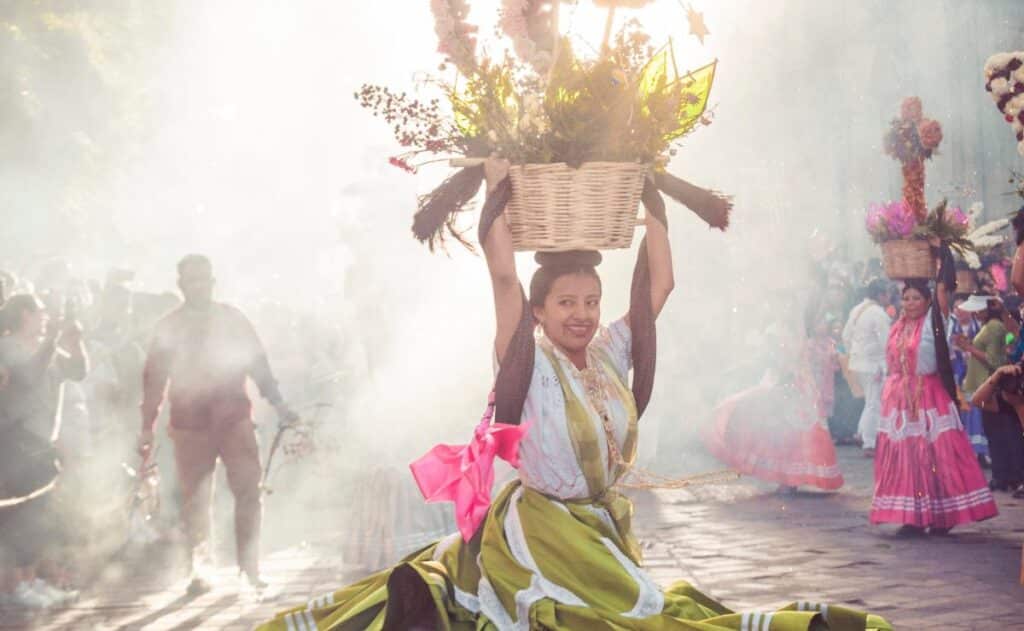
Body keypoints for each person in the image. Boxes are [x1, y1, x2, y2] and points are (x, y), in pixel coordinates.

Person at [257, 158, 888, 630]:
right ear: (539, 310)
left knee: (637, 612)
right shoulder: (526, 359)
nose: (582, 314)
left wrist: (652, 197)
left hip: (601, 523)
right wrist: (498, 191)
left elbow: (660, 285)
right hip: (544, 528)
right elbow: (504, 273)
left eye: (591, 301)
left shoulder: (611, 350)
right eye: (567, 303)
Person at [138, 255, 298, 594]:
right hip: (189, 424)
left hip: (233, 418)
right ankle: (200, 568)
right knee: (195, 499)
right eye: (191, 280)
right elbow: (153, 378)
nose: (199, 286)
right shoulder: (170, 326)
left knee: (249, 490)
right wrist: (147, 425)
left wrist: (279, 403)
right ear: (181, 286)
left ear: (212, 282)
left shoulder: (232, 319)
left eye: (204, 280)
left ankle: (250, 567)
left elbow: (258, 363)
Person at [870, 282, 997, 535]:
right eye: (906, 298)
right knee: (908, 458)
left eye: (916, 298)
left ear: (928, 301)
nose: (910, 303)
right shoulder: (897, 327)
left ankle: (942, 514)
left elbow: (943, 294)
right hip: (901, 401)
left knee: (936, 456)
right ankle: (913, 517)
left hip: (929, 396)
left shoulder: (934, 323)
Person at [0, 294, 86, 609]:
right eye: (40, 311)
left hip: (39, 441)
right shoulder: (7, 346)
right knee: (19, 516)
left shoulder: (44, 345)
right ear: (24, 315)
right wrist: (52, 340)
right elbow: (27, 376)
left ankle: (30, 581)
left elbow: (77, 371)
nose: (47, 316)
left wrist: (75, 341)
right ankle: (12, 588)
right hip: (15, 439)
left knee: (39, 516)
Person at [956, 295, 1011, 481]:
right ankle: (1000, 475)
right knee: (992, 431)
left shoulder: (994, 327)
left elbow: (995, 361)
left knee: (995, 432)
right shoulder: (989, 326)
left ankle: (1002, 475)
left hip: (988, 385)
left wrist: (969, 348)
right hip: (981, 384)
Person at [842, 279, 892, 458]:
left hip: (858, 362)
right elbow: (886, 342)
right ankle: (869, 442)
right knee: (874, 403)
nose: (889, 297)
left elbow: (845, 336)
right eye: (887, 293)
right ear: (880, 295)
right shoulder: (878, 313)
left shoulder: (857, 309)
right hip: (873, 364)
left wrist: (854, 354)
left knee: (870, 401)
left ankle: (862, 433)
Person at [970, 364, 1024, 497]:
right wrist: (997, 375)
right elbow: (978, 401)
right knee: (990, 414)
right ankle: (1004, 476)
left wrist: (1019, 405)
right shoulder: (1008, 399)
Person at [948, 297, 988, 466]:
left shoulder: (979, 327)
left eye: (963, 308)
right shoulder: (951, 328)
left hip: (977, 376)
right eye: (957, 308)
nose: (960, 311)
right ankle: (965, 452)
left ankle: (982, 453)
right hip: (959, 376)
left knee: (977, 412)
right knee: (963, 412)